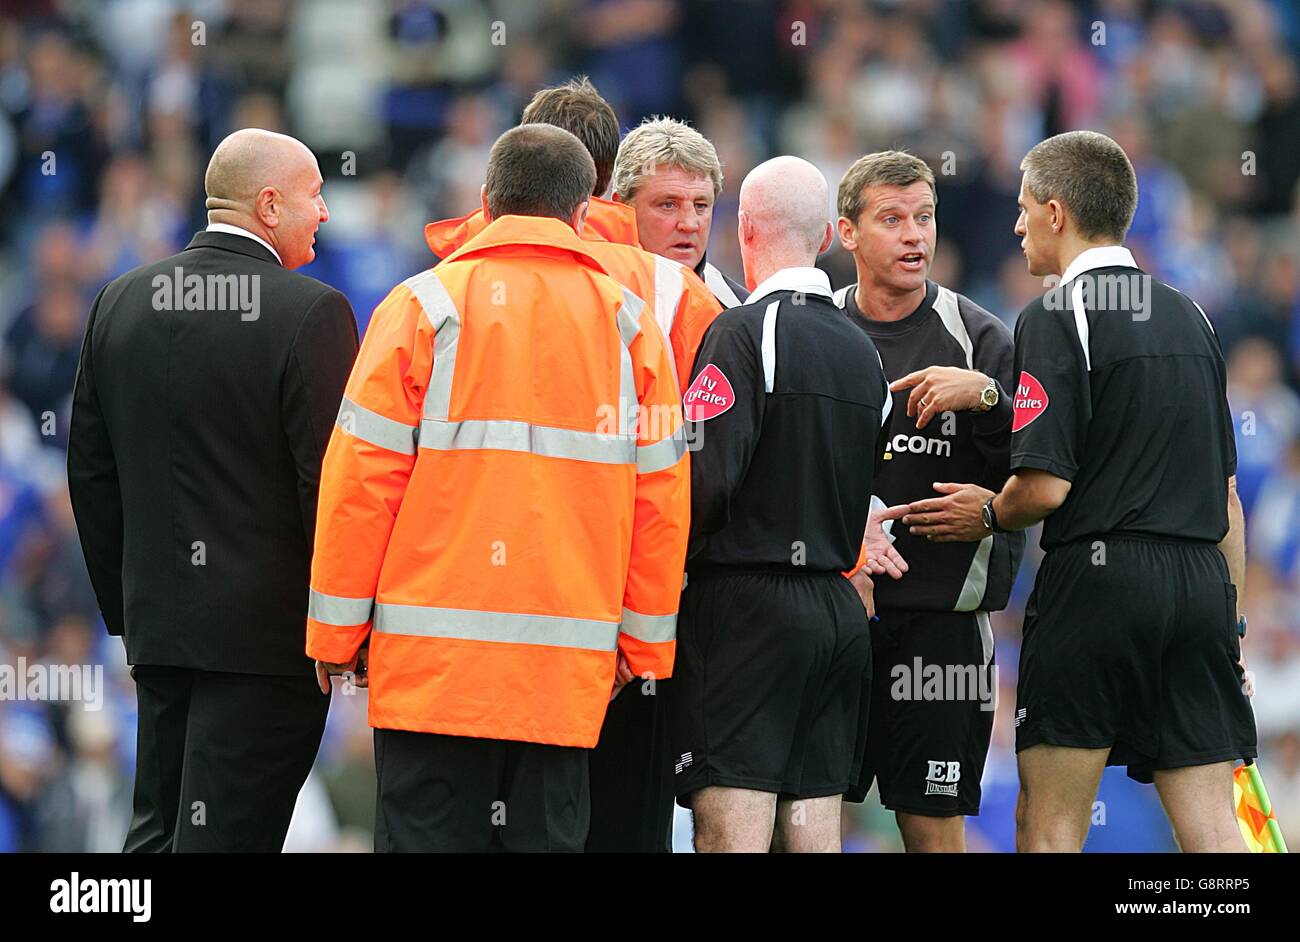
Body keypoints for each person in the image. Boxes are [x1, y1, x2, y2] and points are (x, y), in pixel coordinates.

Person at [306, 124, 690, 852]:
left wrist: (336, 635)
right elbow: (661, 504)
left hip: (429, 677)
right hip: (562, 678)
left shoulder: (419, 307)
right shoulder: (631, 326)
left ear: (485, 202)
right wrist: (642, 652)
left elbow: (361, 481)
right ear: (584, 216)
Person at [904, 130, 1257, 852]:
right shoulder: (1194, 317)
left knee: (1049, 825)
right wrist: (1232, 628)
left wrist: (988, 512)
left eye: (1026, 207)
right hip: (1199, 589)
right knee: (1213, 827)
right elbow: (1227, 501)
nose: (1017, 224)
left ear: (1058, 214)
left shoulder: (1056, 314)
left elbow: (1044, 486)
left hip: (1098, 586)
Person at [421, 79, 723, 851]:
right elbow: (688, 472)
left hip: (460, 620)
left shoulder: (435, 286)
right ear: (604, 182)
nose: (685, 223)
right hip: (607, 616)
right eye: (669, 206)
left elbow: (378, 463)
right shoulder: (670, 293)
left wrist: (345, 627)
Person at [67, 128, 358, 852]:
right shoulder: (311, 312)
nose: (324, 213)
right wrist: (342, 629)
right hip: (269, 647)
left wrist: (135, 612)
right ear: (268, 205)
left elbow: (91, 478)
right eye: (314, 194)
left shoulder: (119, 301)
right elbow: (330, 488)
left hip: (160, 637)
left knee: (158, 836)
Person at [669, 156, 890, 852]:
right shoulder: (863, 352)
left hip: (746, 616)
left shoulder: (740, 333)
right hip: (835, 610)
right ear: (828, 234)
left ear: (743, 229)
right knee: (812, 828)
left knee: (732, 830)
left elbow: (706, 483)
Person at [831, 151, 1025, 851]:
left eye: (924, 217)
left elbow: (1039, 474)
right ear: (846, 232)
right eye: (892, 219)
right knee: (810, 817)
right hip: (834, 618)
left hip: (943, 629)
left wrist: (989, 401)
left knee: (932, 826)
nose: (915, 236)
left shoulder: (982, 339)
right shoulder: (818, 330)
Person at [611, 117, 749, 313]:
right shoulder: (591, 298)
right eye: (668, 205)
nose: (690, 224)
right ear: (621, 208)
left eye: (700, 206)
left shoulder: (738, 312)